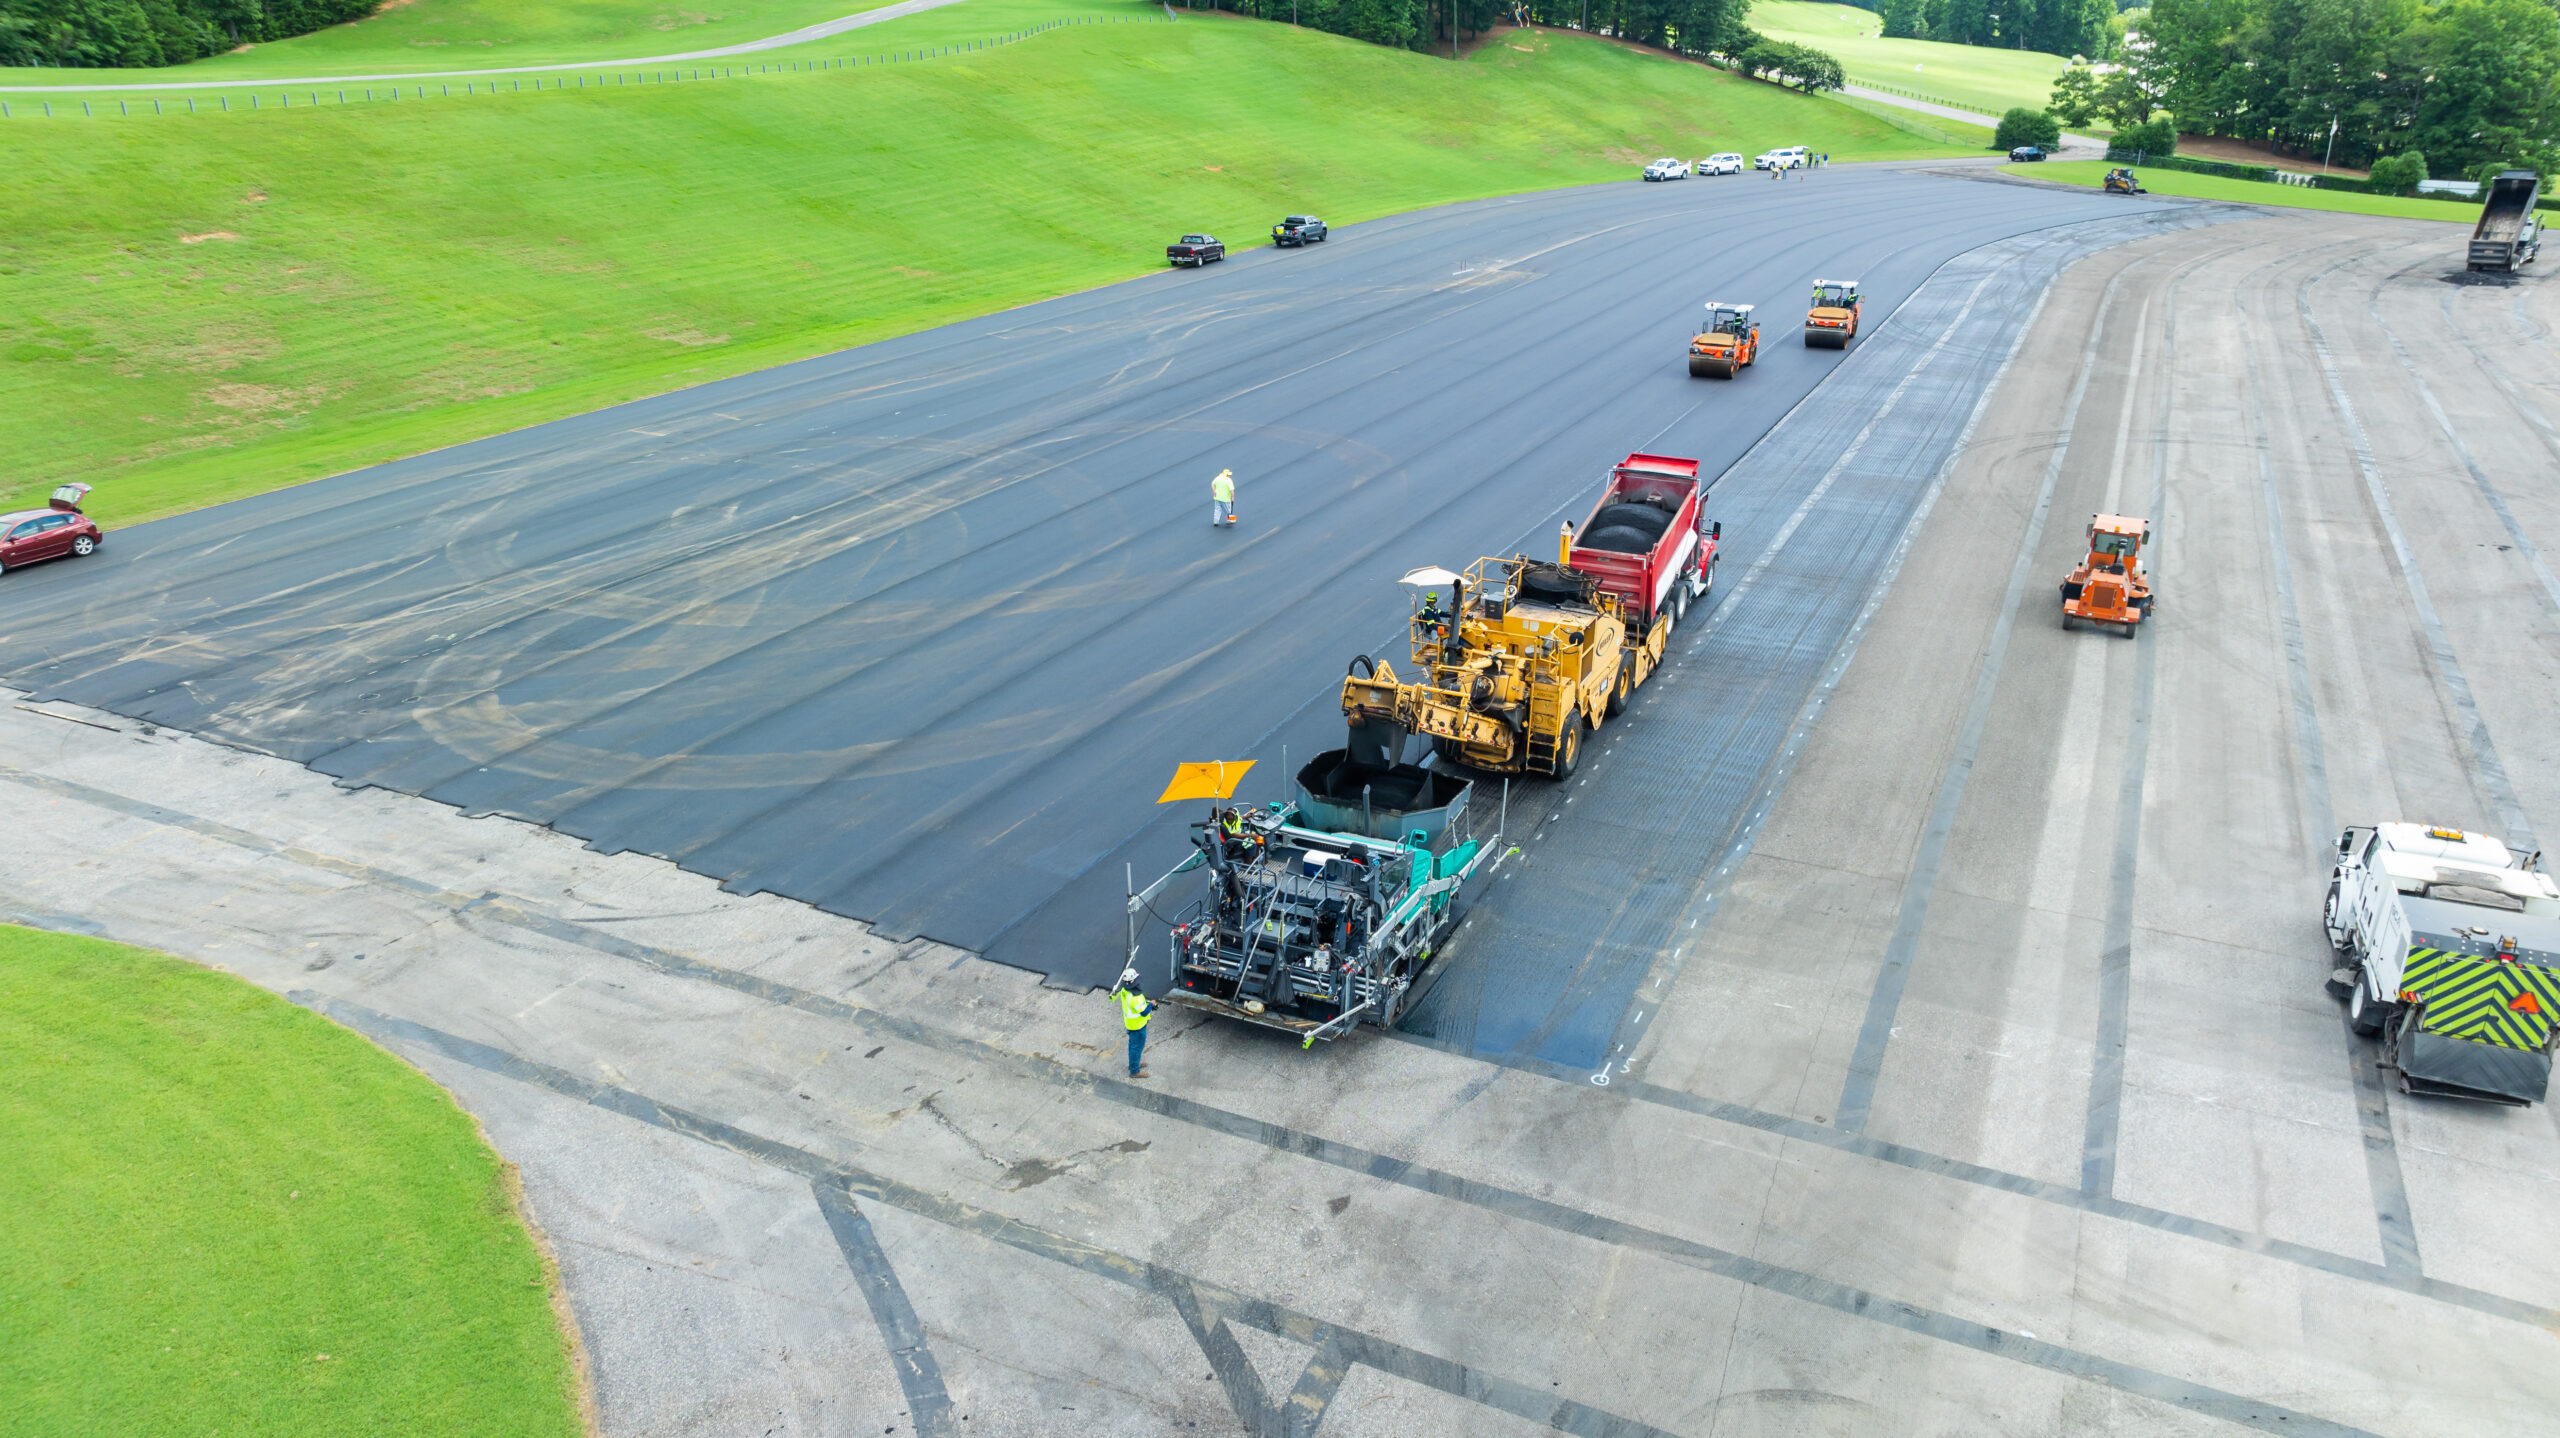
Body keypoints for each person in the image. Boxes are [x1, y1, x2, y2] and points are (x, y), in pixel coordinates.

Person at [1114, 968, 1156, 1078]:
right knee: (1136, 1047)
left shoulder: (1124, 991)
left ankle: (1134, 1064)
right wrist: (1151, 1004)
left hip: (1131, 1024)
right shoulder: (1135, 998)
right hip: (1138, 1026)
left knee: (1133, 1046)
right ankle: (1135, 1071)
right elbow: (1144, 1012)